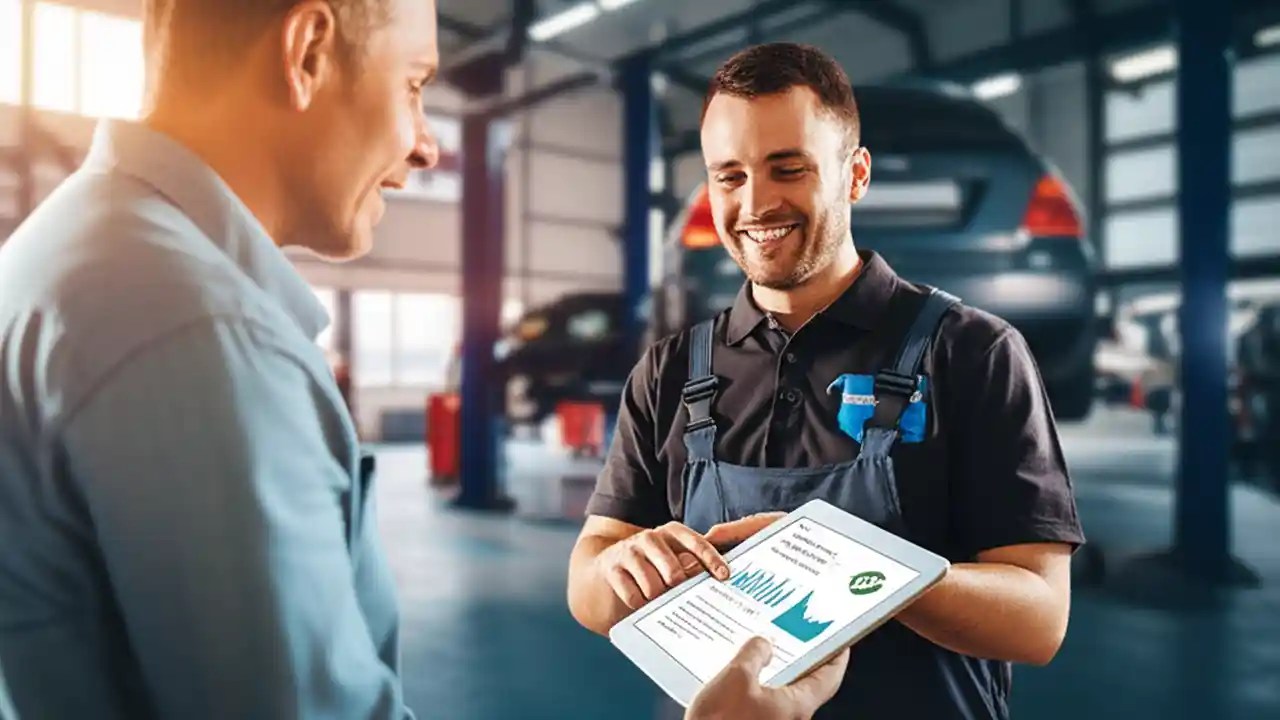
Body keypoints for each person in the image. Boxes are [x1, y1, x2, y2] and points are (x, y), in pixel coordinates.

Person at [0, 2, 842, 718]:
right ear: (308, 53)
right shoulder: (200, 329)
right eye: (412, 86)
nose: (427, 145)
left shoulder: (71, 252)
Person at [567, 43, 1085, 719]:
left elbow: (1039, 621)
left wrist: (857, 578)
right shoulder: (669, 372)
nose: (755, 203)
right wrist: (617, 571)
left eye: (788, 168)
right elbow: (588, 580)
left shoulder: (975, 354)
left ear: (855, 174)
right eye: (729, 176)